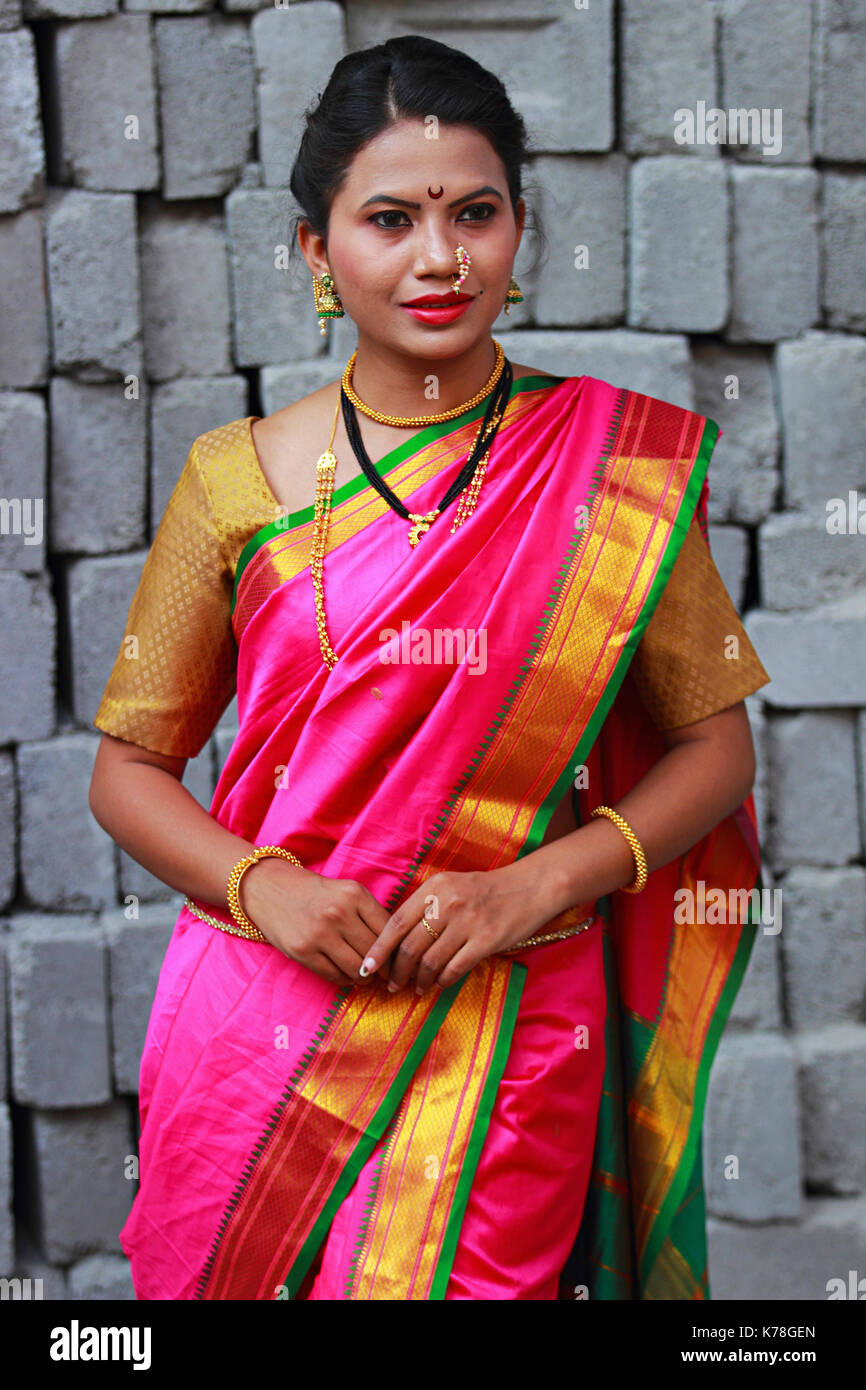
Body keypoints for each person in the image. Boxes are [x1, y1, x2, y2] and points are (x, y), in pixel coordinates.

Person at [88, 34, 771, 1301]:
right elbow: (128, 770)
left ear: (519, 231)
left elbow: (717, 747)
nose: (439, 257)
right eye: (389, 218)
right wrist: (265, 886)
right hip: (266, 1017)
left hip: (512, 1019)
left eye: (475, 212)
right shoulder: (233, 479)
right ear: (315, 250)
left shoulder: (615, 475)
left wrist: (532, 886)